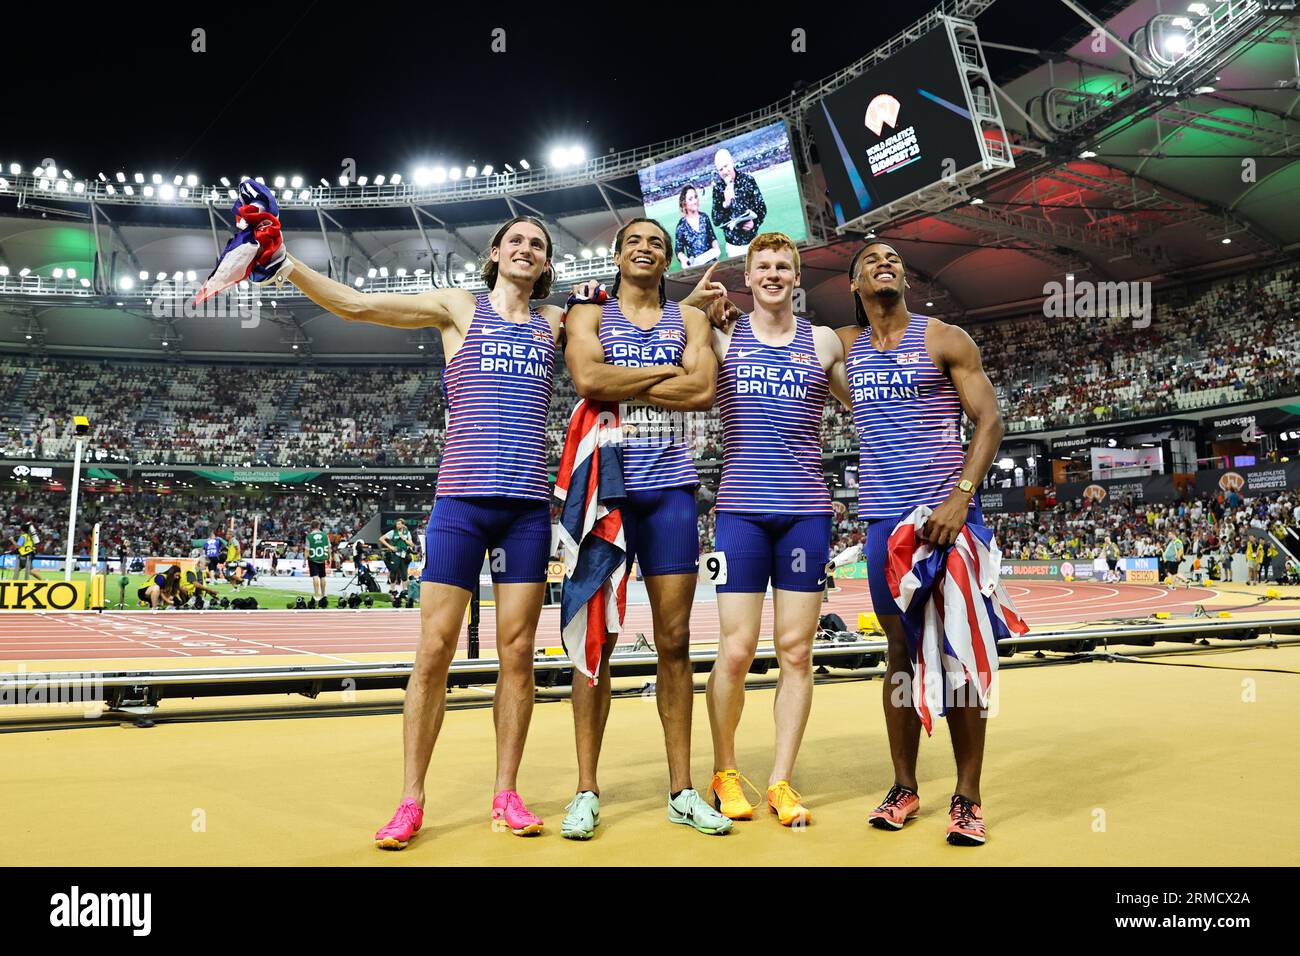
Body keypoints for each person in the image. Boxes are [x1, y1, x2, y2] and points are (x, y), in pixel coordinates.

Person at [278, 208, 570, 849]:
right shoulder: (457, 308)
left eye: (538, 245)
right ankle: (410, 800)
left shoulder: (557, 324)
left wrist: (698, 310)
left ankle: (505, 792)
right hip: (461, 503)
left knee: (517, 653)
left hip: (525, 508)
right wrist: (283, 263)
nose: (525, 248)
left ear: (547, 265)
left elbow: (637, 330)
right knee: (434, 649)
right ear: (494, 253)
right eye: (515, 240)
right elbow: (356, 305)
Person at [561, 217, 728, 839]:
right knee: (595, 639)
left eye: (657, 242)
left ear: (668, 257)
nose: (646, 248)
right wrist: (665, 379)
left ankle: (682, 790)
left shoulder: (689, 320)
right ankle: (586, 789)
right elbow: (588, 380)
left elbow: (705, 390)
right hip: (603, 489)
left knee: (676, 638)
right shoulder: (589, 313)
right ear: (618, 253)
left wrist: (629, 383)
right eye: (635, 240)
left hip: (671, 491)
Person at [840, 241, 1005, 846]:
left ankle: (967, 796)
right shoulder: (845, 349)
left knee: (959, 654)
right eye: (871, 260)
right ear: (854, 283)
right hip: (886, 525)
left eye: (893, 257)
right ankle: (904, 785)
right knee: (900, 655)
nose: (886, 262)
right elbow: (772, 345)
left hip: (950, 518)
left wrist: (961, 495)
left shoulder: (944, 338)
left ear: (904, 276)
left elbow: (990, 420)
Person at [701, 232, 851, 828]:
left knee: (795, 651)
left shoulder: (822, 341)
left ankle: (781, 781)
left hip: (805, 513)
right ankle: (725, 770)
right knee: (735, 651)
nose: (772, 274)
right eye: (761, 266)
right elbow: (668, 330)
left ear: (796, 275)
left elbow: (862, 402)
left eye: (782, 266)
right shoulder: (722, 335)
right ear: (747, 275)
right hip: (738, 512)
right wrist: (696, 299)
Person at [710, 148, 766, 258]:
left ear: (732, 162)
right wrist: (726, 203)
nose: (725, 172)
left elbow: (761, 208)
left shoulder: (748, 180)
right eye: (721, 169)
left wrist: (755, 223)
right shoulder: (718, 189)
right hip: (733, 247)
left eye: (726, 166)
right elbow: (716, 220)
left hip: (754, 240)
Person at [674, 185, 719, 269]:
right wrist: (684, 259)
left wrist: (716, 247)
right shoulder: (681, 226)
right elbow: (678, 250)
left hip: (712, 265)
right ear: (684, 203)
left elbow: (712, 238)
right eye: (690, 199)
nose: (695, 201)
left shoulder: (704, 217)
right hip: (696, 268)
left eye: (695, 197)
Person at [379, 518, 416, 603]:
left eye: (399, 524)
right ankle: (392, 590)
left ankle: (405, 592)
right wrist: (390, 547)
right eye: (397, 524)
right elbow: (381, 539)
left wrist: (404, 539)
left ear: (403, 524)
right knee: (393, 572)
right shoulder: (392, 532)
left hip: (404, 555)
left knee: (404, 574)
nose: (397, 525)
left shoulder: (407, 533)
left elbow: (412, 544)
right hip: (395, 555)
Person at [304, 520, 331, 603]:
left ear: (311, 527)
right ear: (319, 526)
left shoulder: (309, 536)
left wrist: (305, 560)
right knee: (322, 576)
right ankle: (323, 594)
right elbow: (329, 548)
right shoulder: (325, 535)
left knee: (315, 576)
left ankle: (316, 594)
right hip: (322, 558)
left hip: (313, 558)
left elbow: (307, 550)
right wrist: (329, 557)